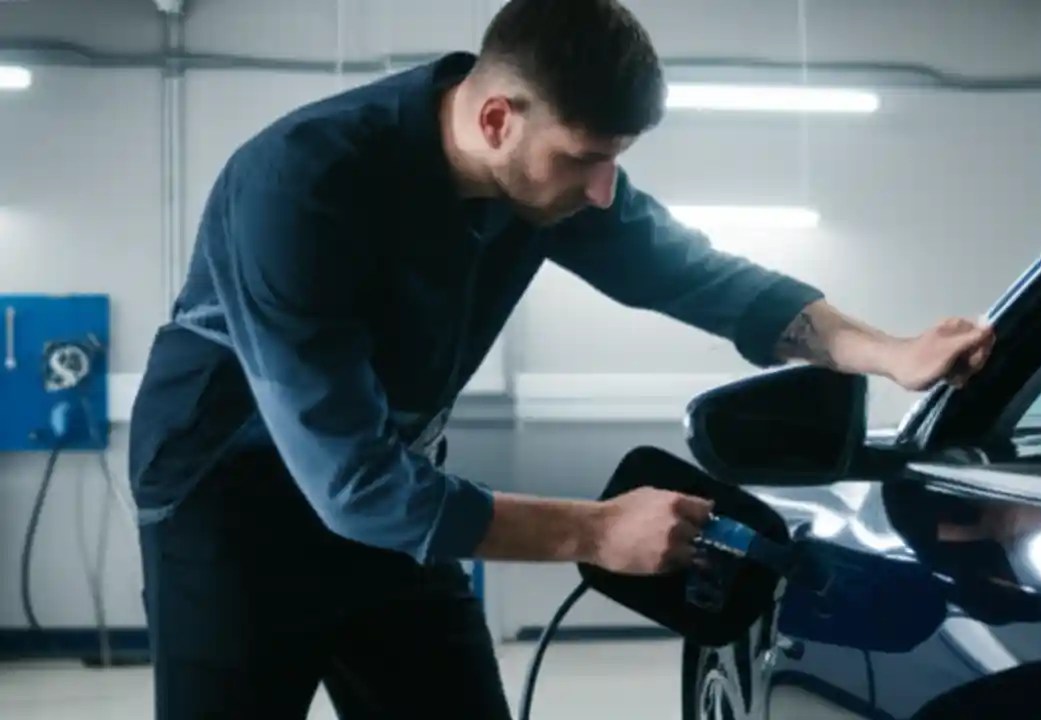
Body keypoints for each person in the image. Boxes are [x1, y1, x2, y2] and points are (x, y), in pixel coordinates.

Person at [127, 0, 995, 717]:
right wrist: (598, 530)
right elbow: (350, 487)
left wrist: (887, 351)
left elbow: (706, 279)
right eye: (585, 160)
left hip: (391, 488)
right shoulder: (299, 186)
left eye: (615, 162)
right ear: (497, 118)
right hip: (227, 497)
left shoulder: (551, 180)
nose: (601, 192)